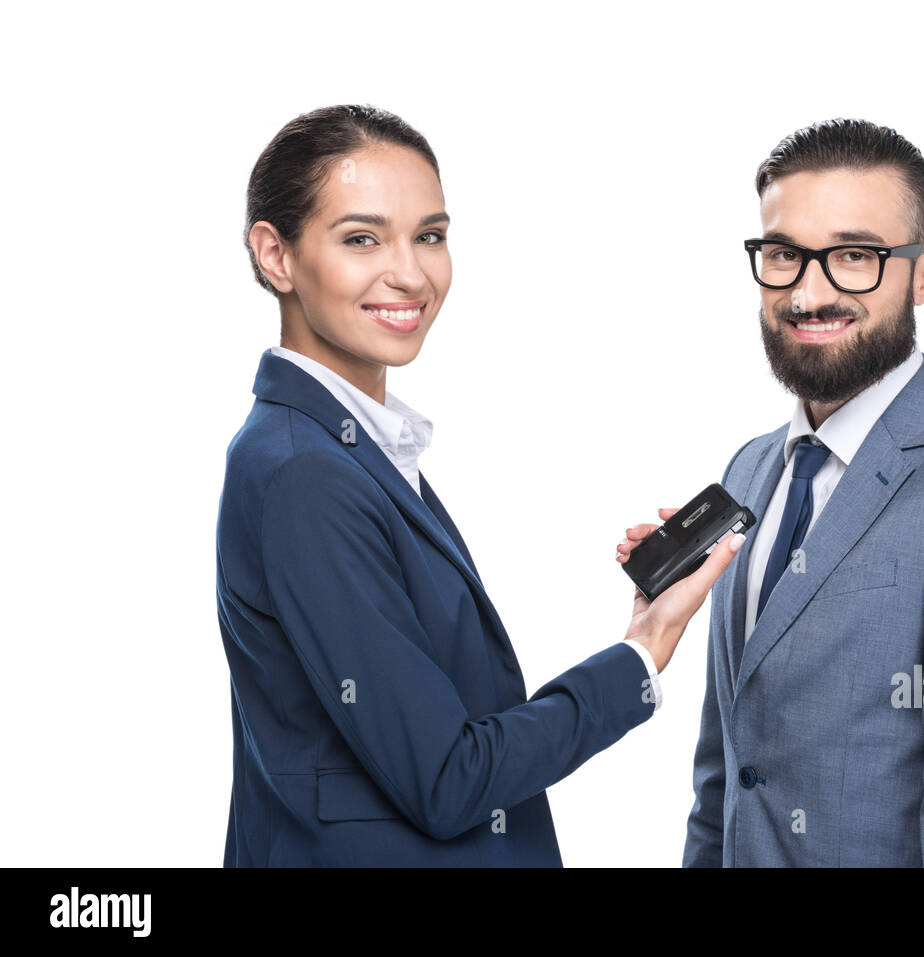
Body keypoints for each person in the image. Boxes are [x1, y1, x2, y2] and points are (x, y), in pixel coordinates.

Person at [216, 104, 743, 867]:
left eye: (429, 235)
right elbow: (447, 778)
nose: (411, 272)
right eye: (362, 238)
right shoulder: (306, 471)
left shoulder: (346, 448)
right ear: (277, 254)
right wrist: (641, 653)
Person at [620, 118, 924, 867]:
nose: (809, 290)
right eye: (784, 254)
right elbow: (726, 774)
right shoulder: (748, 471)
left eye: (855, 256)